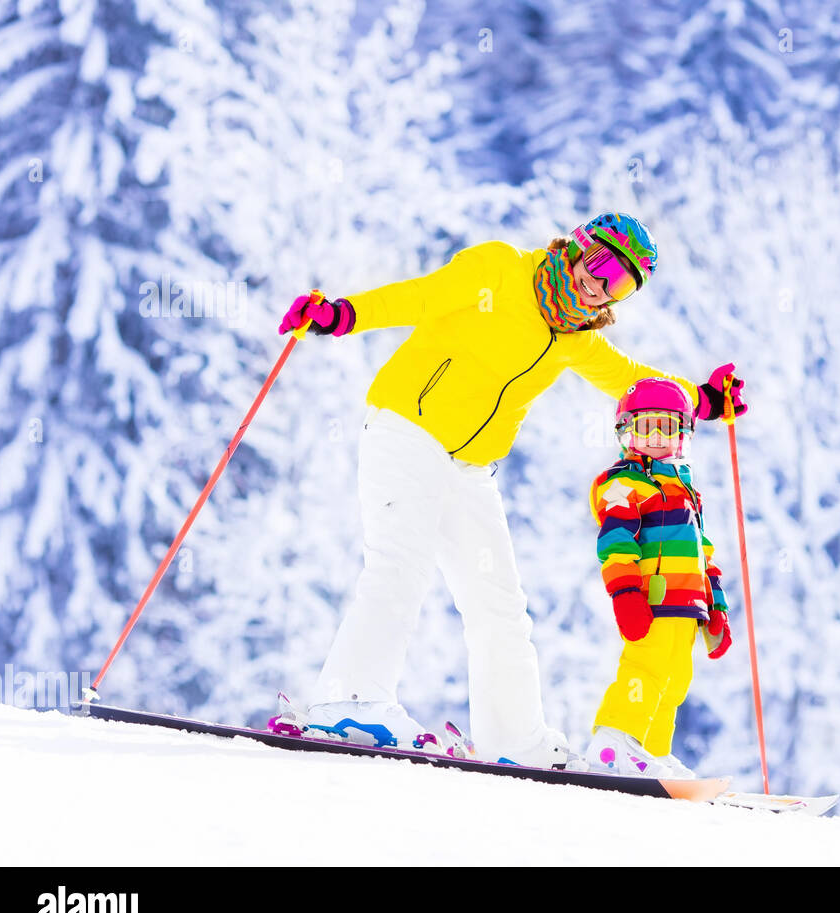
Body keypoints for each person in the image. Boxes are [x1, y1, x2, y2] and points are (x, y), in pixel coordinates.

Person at [275, 212, 748, 768]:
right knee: (400, 563)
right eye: (599, 264)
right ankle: (349, 701)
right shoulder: (500, 269)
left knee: (498, 604)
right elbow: (420, 298)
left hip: (470, 468)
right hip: (408, 427)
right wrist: (340, 314)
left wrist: (707, 401)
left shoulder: (575, 339)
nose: (599, 285)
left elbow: (634, 380)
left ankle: (515, 742)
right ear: (574, 248)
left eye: (619, 283)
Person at [583, 377, 733, 779]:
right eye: (644, 426)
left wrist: (716, 605)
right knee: (645, 669)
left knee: (674, 680)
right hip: (651, 599)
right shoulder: (623, 483)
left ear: (681, 434)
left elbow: (704, 553)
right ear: (626, 432)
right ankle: (615, 738)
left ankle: (651, 750)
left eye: (666, 426)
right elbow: (615, 543)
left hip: (688, 606)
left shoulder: (685, 489)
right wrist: (626, 593)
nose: (655, 436)